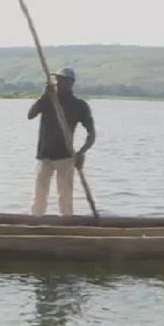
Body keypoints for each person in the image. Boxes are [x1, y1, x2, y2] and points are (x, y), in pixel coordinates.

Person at [27, 67, 96, 217]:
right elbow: (30, 115)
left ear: (70, 83)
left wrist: (81, 153)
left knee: (65, 197)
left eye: (61, 81)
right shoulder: (47, 100)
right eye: (56, 80)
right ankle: (35, 222)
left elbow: (92, 134)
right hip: (44, 156)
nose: (57, 83)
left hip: (65, 157)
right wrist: (44, 95)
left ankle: (66, 223)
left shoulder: (79, 105)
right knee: (39, 195)